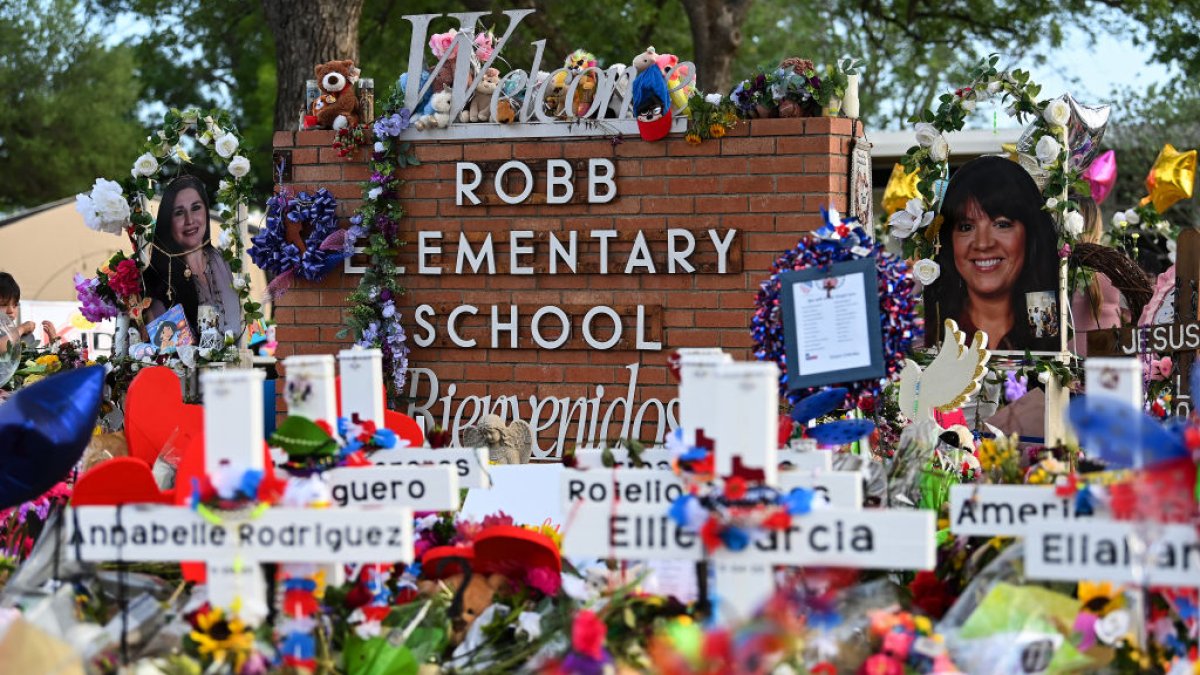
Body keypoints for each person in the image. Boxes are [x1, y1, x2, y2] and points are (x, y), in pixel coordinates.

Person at [928, 156, 1061, 351]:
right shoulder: (933, 331)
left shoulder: (1045, 322)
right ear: (948, 241)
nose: (983, 243)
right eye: (966, 227)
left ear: (1030, 235)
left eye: (1001, 224)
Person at [142, 176, 241, 339]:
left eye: (196, 208)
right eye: (179, 213)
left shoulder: (220, 262)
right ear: (168, 221)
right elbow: (164, 345)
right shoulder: (157, 277)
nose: (189, 220)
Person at [1069, 195, 1125, 356]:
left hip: (1068, 363)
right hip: (1108, 363)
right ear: (1097, 224)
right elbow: (1131, 315)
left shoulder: (1060, 265)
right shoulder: (1114, 266)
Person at [0, 272, 57, 348]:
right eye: (3, 305)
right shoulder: (20, 331)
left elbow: (36, 358)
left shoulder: (24, 336)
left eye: (15, 305)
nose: (11, 311)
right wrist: (22, 328)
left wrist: (53, 341)